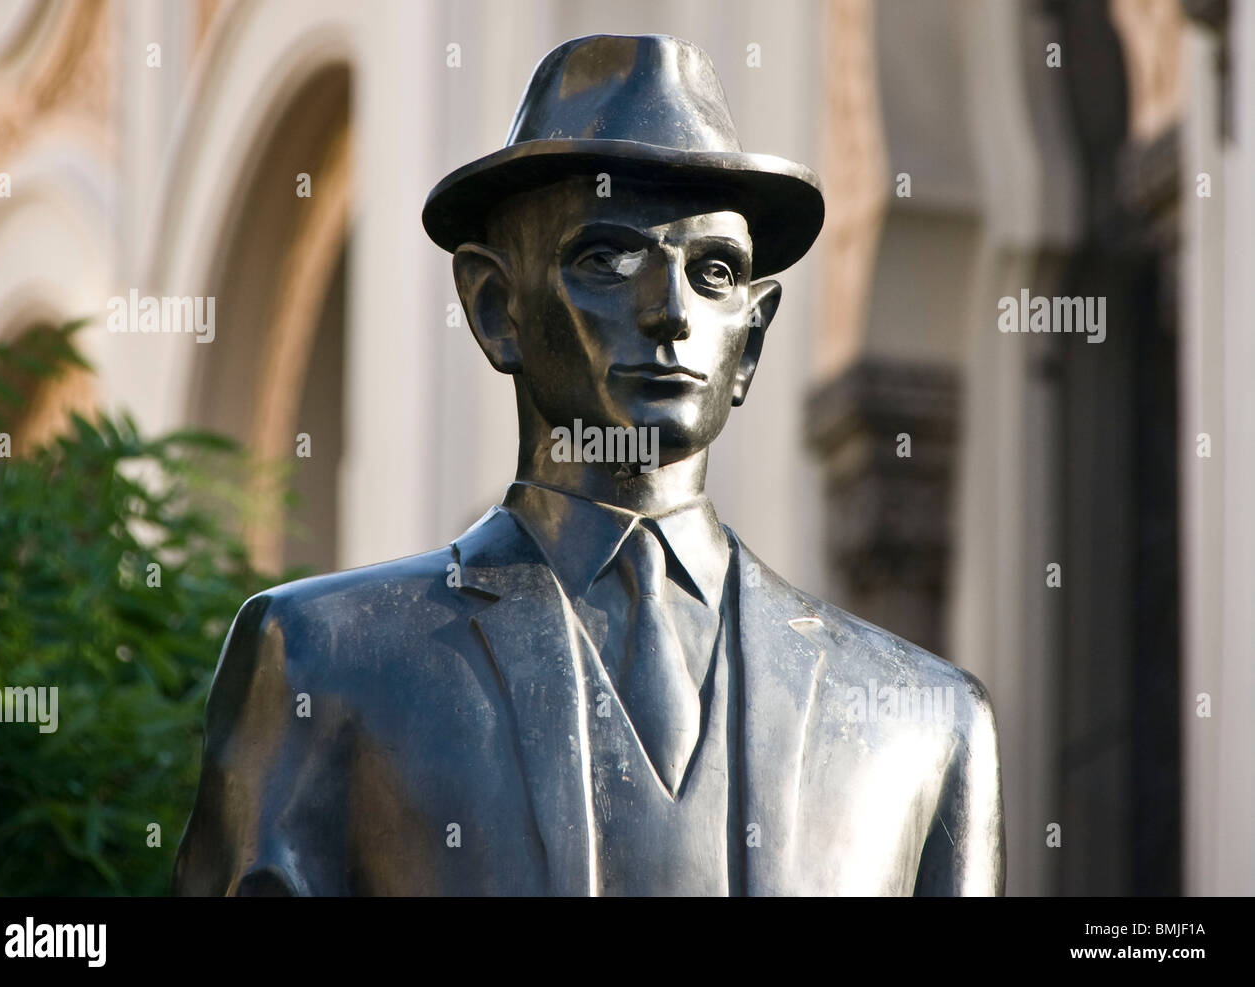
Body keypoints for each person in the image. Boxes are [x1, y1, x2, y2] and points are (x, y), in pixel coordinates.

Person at [173, 33, 1004, 896]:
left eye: (716, 271)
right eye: (606, 258)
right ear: (496, 308)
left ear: (751, 340)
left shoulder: (927, 724)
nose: (671, 311)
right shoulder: (323, 662)